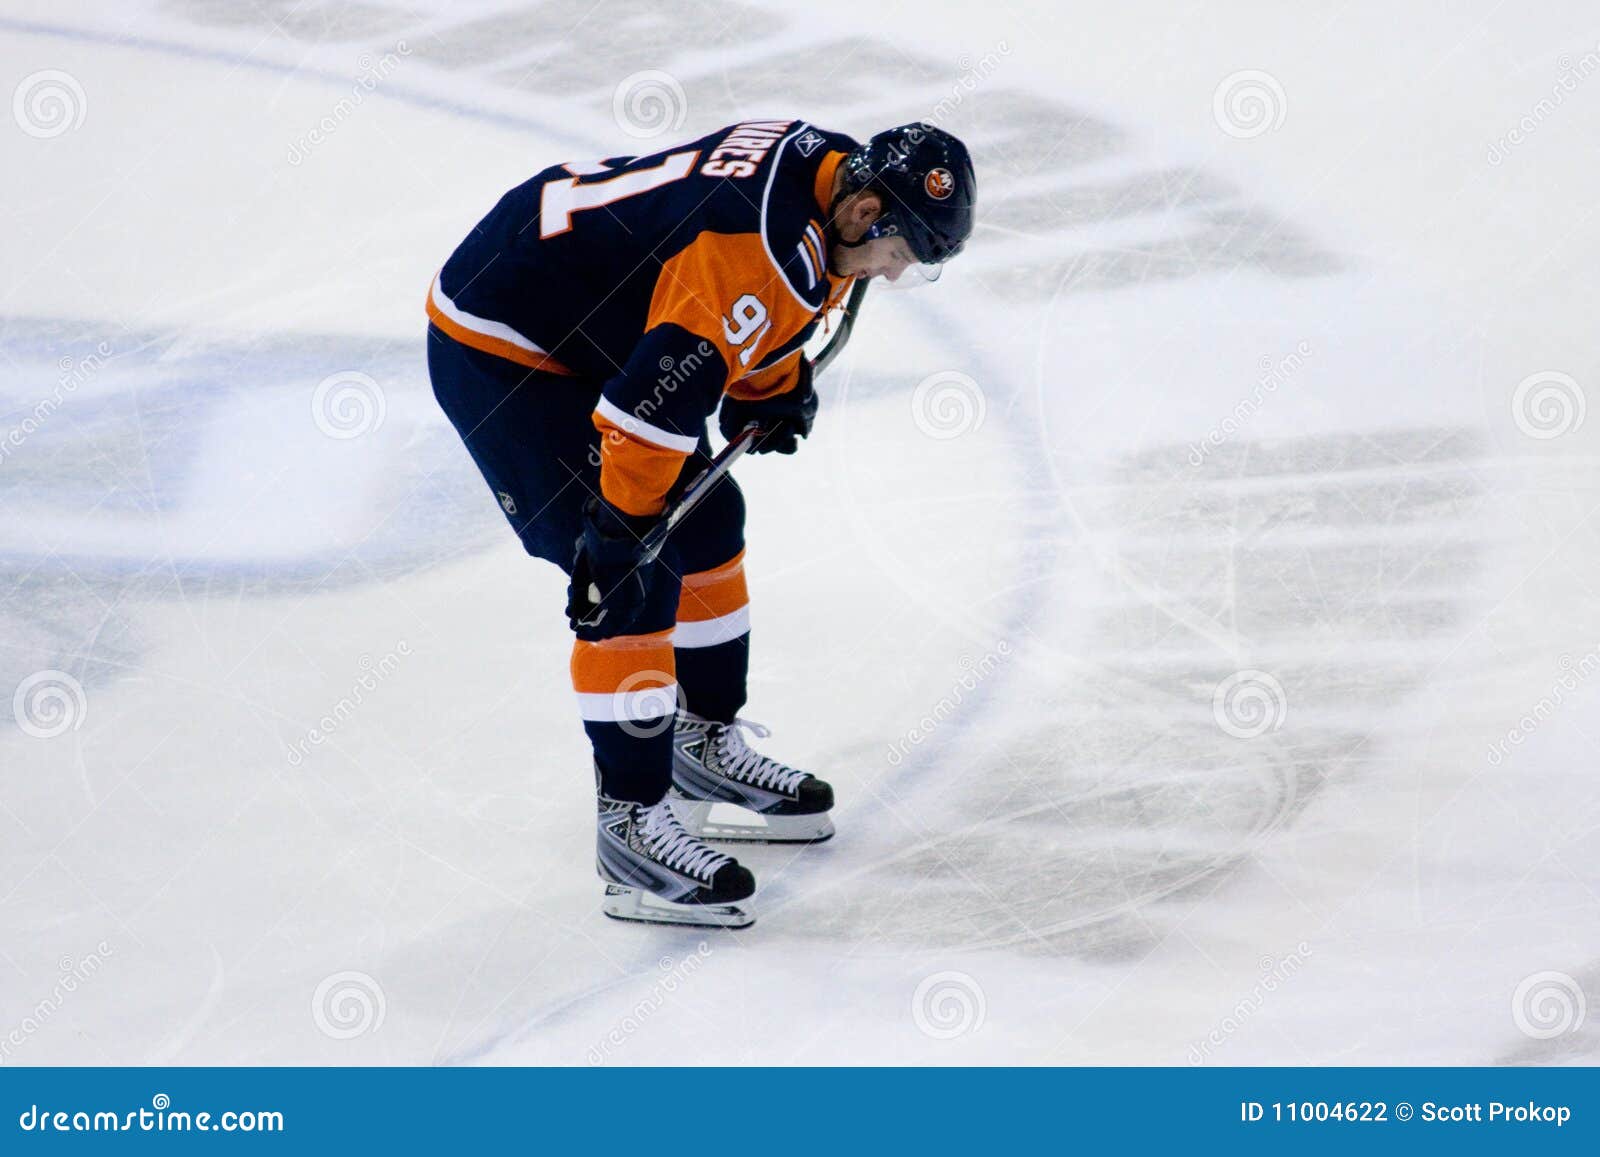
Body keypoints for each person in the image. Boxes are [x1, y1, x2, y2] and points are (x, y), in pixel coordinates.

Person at [427, 119, 975, 927]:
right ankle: (631, 826)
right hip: (506, 348)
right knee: (630, 567)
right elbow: (653, 405)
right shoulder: (765, 249)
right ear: (864, 212)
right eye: (902, 255)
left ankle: (700, 744)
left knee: (708, 518)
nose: (894, 276)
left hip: (574, 304)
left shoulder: (824, 175)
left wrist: (770, 381)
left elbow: (719, 302)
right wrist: (617, 533)